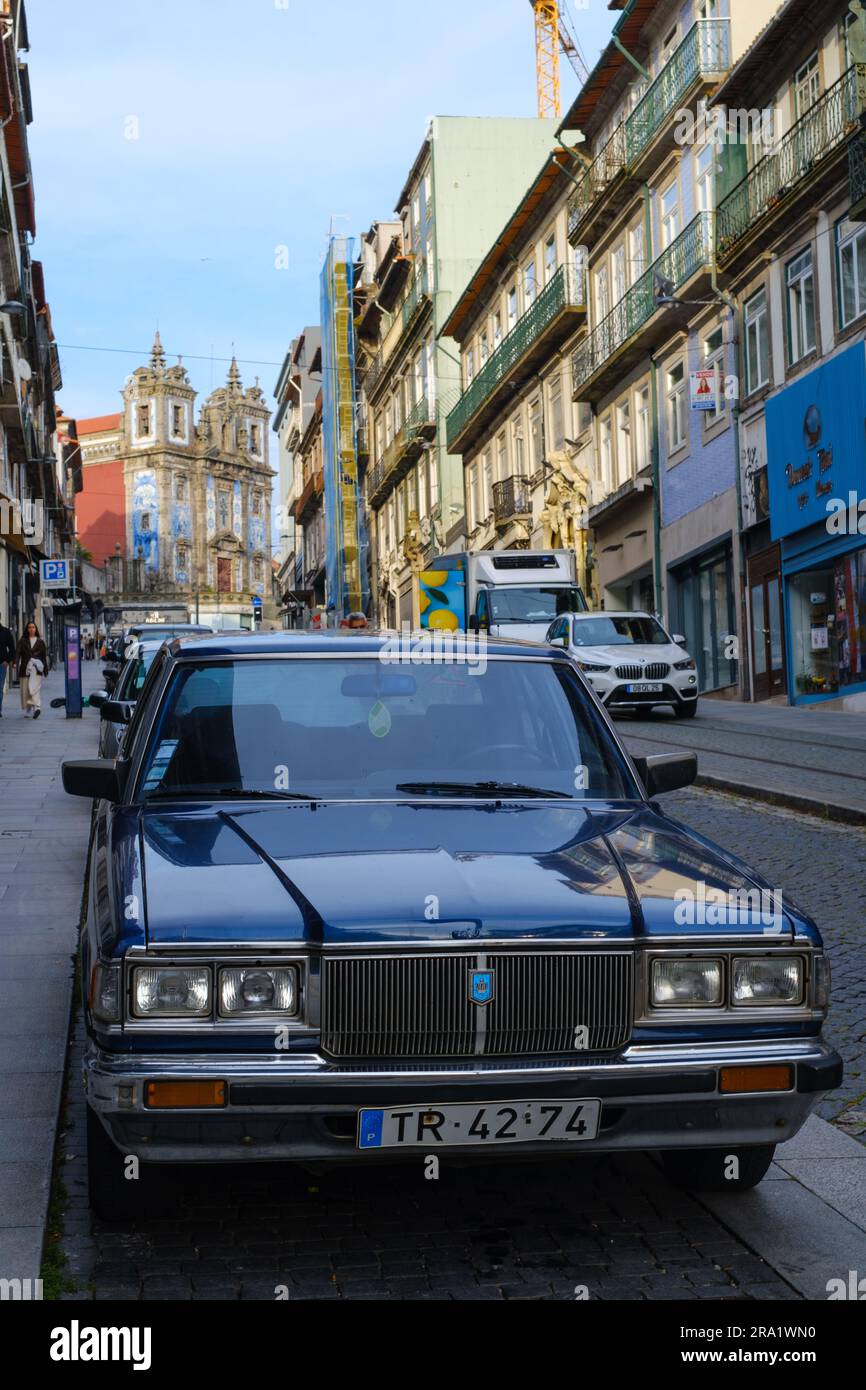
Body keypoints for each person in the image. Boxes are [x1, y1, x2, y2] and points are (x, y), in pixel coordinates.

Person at [16, 621, 49, 719]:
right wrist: (15, 663)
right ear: (27, 629)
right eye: (29, 627)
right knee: (26, 690)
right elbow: (18, 654)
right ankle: (29, 709)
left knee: (34, 689)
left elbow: (43, 656)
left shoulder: (40, 642)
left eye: (33, 627)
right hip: (25, 668)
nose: (31, 629)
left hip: (36, 669)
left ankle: (37, 708)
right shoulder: (22, 641)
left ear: (36, 629)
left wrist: (45, 670)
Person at [0, 619, 14, 717]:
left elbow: (12, 647)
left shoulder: (5, 631)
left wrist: (7, 661)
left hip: (1, 664)